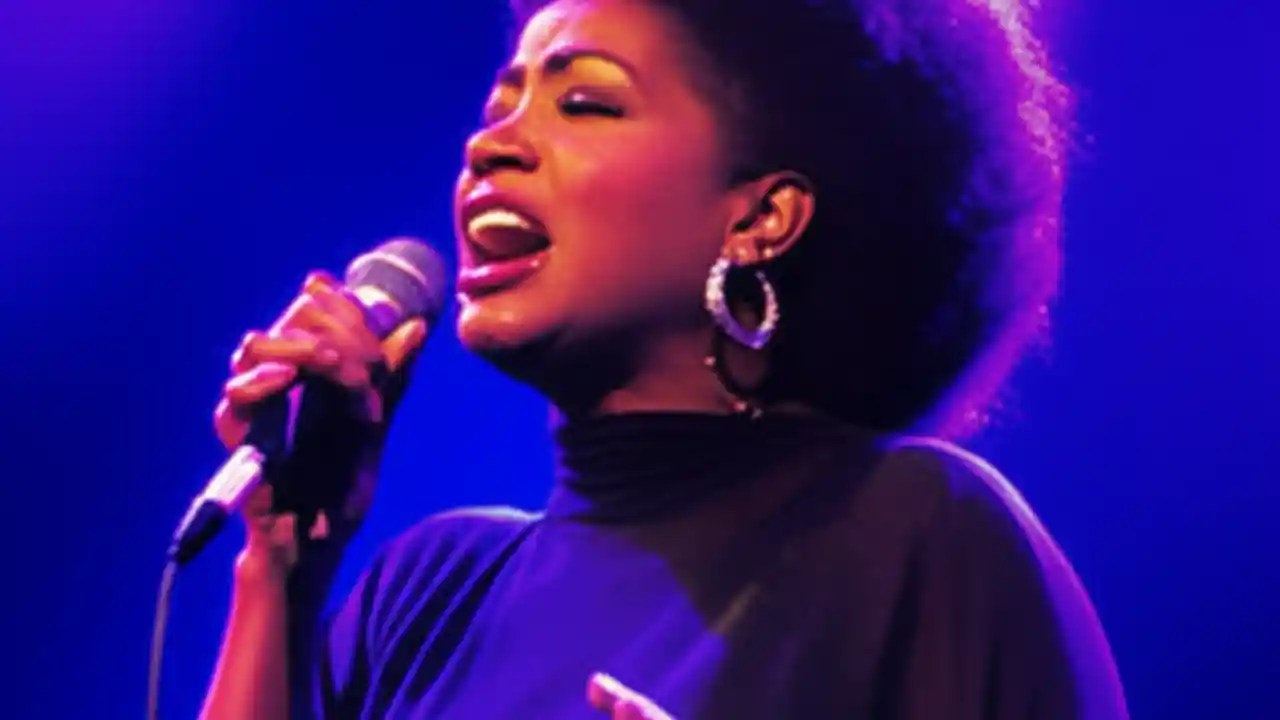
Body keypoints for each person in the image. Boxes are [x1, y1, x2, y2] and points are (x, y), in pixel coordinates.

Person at [199, 0, 1129, 717]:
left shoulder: (923, 539)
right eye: (501, 103)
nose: (491, 145)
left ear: (763, 217)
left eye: (586, 102)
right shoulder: (428, 594)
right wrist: (281, 566)